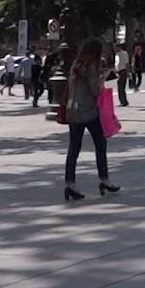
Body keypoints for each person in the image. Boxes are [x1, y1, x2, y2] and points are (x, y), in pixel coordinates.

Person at [63, 38, 119, 201]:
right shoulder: (92, 66)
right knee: (100, 145)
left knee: (73, 148)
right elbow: (94, 90)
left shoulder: (76, 65)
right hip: (88, 111)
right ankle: (104, 180)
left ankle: (70, 184)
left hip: (73, 111)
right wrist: (103, 77)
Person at [114, 43, 131, 107]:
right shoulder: (117, 54)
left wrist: (128, 72)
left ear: (119, 47)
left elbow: (126, 63)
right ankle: (122, 101)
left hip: (123, 71)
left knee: (121, 87)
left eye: (115, 47)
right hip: (119, 72)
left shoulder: (124, 53)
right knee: (119, 87)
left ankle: (123, 101)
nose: (114, 49)